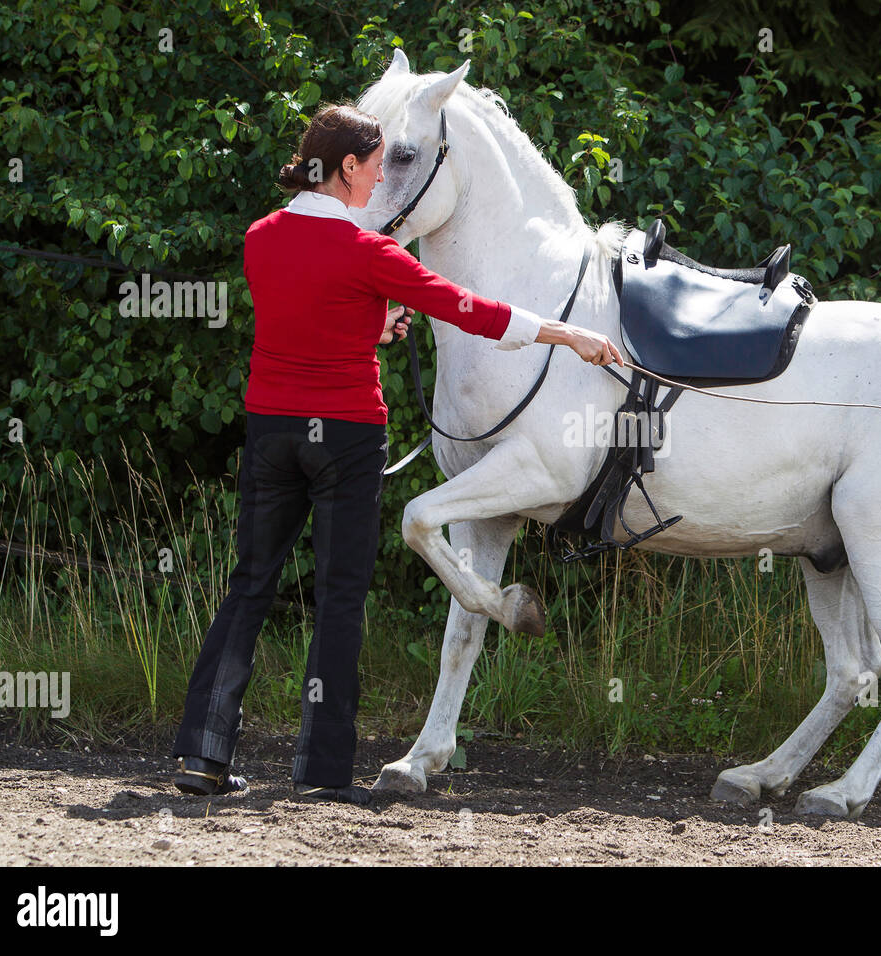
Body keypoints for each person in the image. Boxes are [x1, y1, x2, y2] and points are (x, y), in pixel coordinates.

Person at [170, 103, 622, 804]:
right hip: (346, 436)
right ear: (346, 167)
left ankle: (202, 754)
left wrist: (368, 326)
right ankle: (321, 770)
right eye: (375, 166)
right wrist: (571, 336)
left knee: (249, 586)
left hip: (271, 430)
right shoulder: (371, 253)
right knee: (340, 597)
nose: (381, 180)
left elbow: (304, 314)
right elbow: (471, 309)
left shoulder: (261, 237)